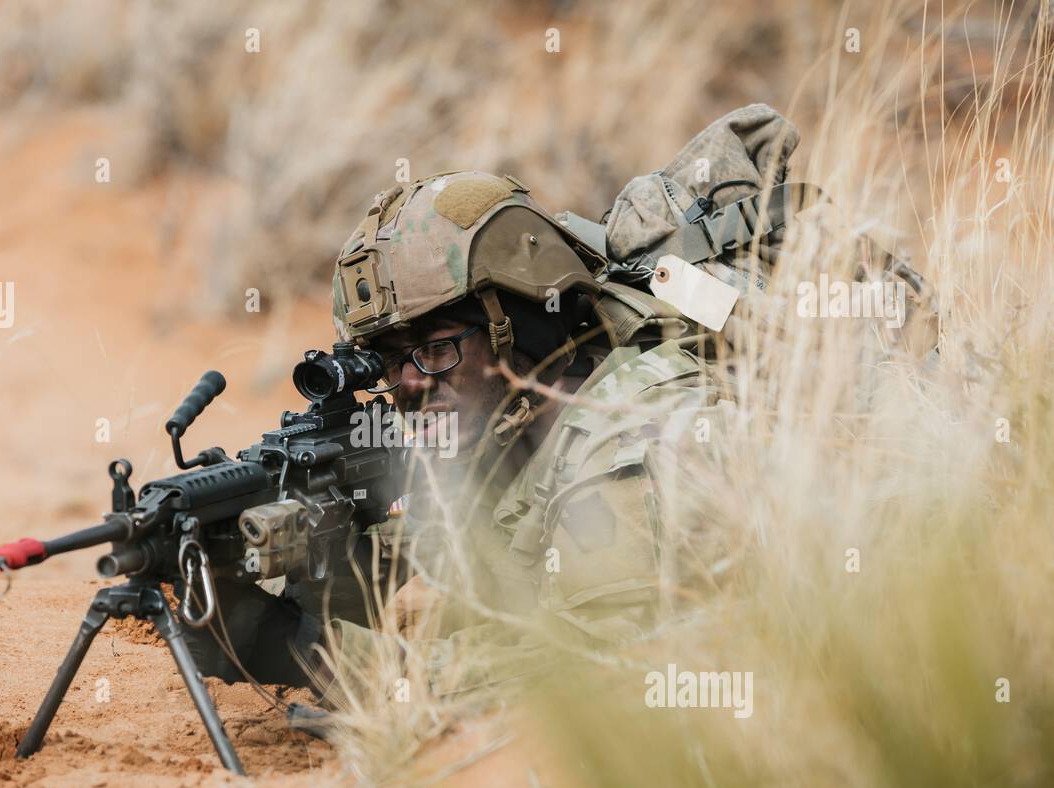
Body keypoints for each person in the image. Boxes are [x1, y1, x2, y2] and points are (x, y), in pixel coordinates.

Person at [201, 169, 728, 691]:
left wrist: (317, 656)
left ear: (518, 331)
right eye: (390, 362)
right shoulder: (494, 430)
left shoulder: (630, 436)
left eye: (434, 349)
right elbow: (437, 565)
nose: (408, 384)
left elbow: (584, 683)